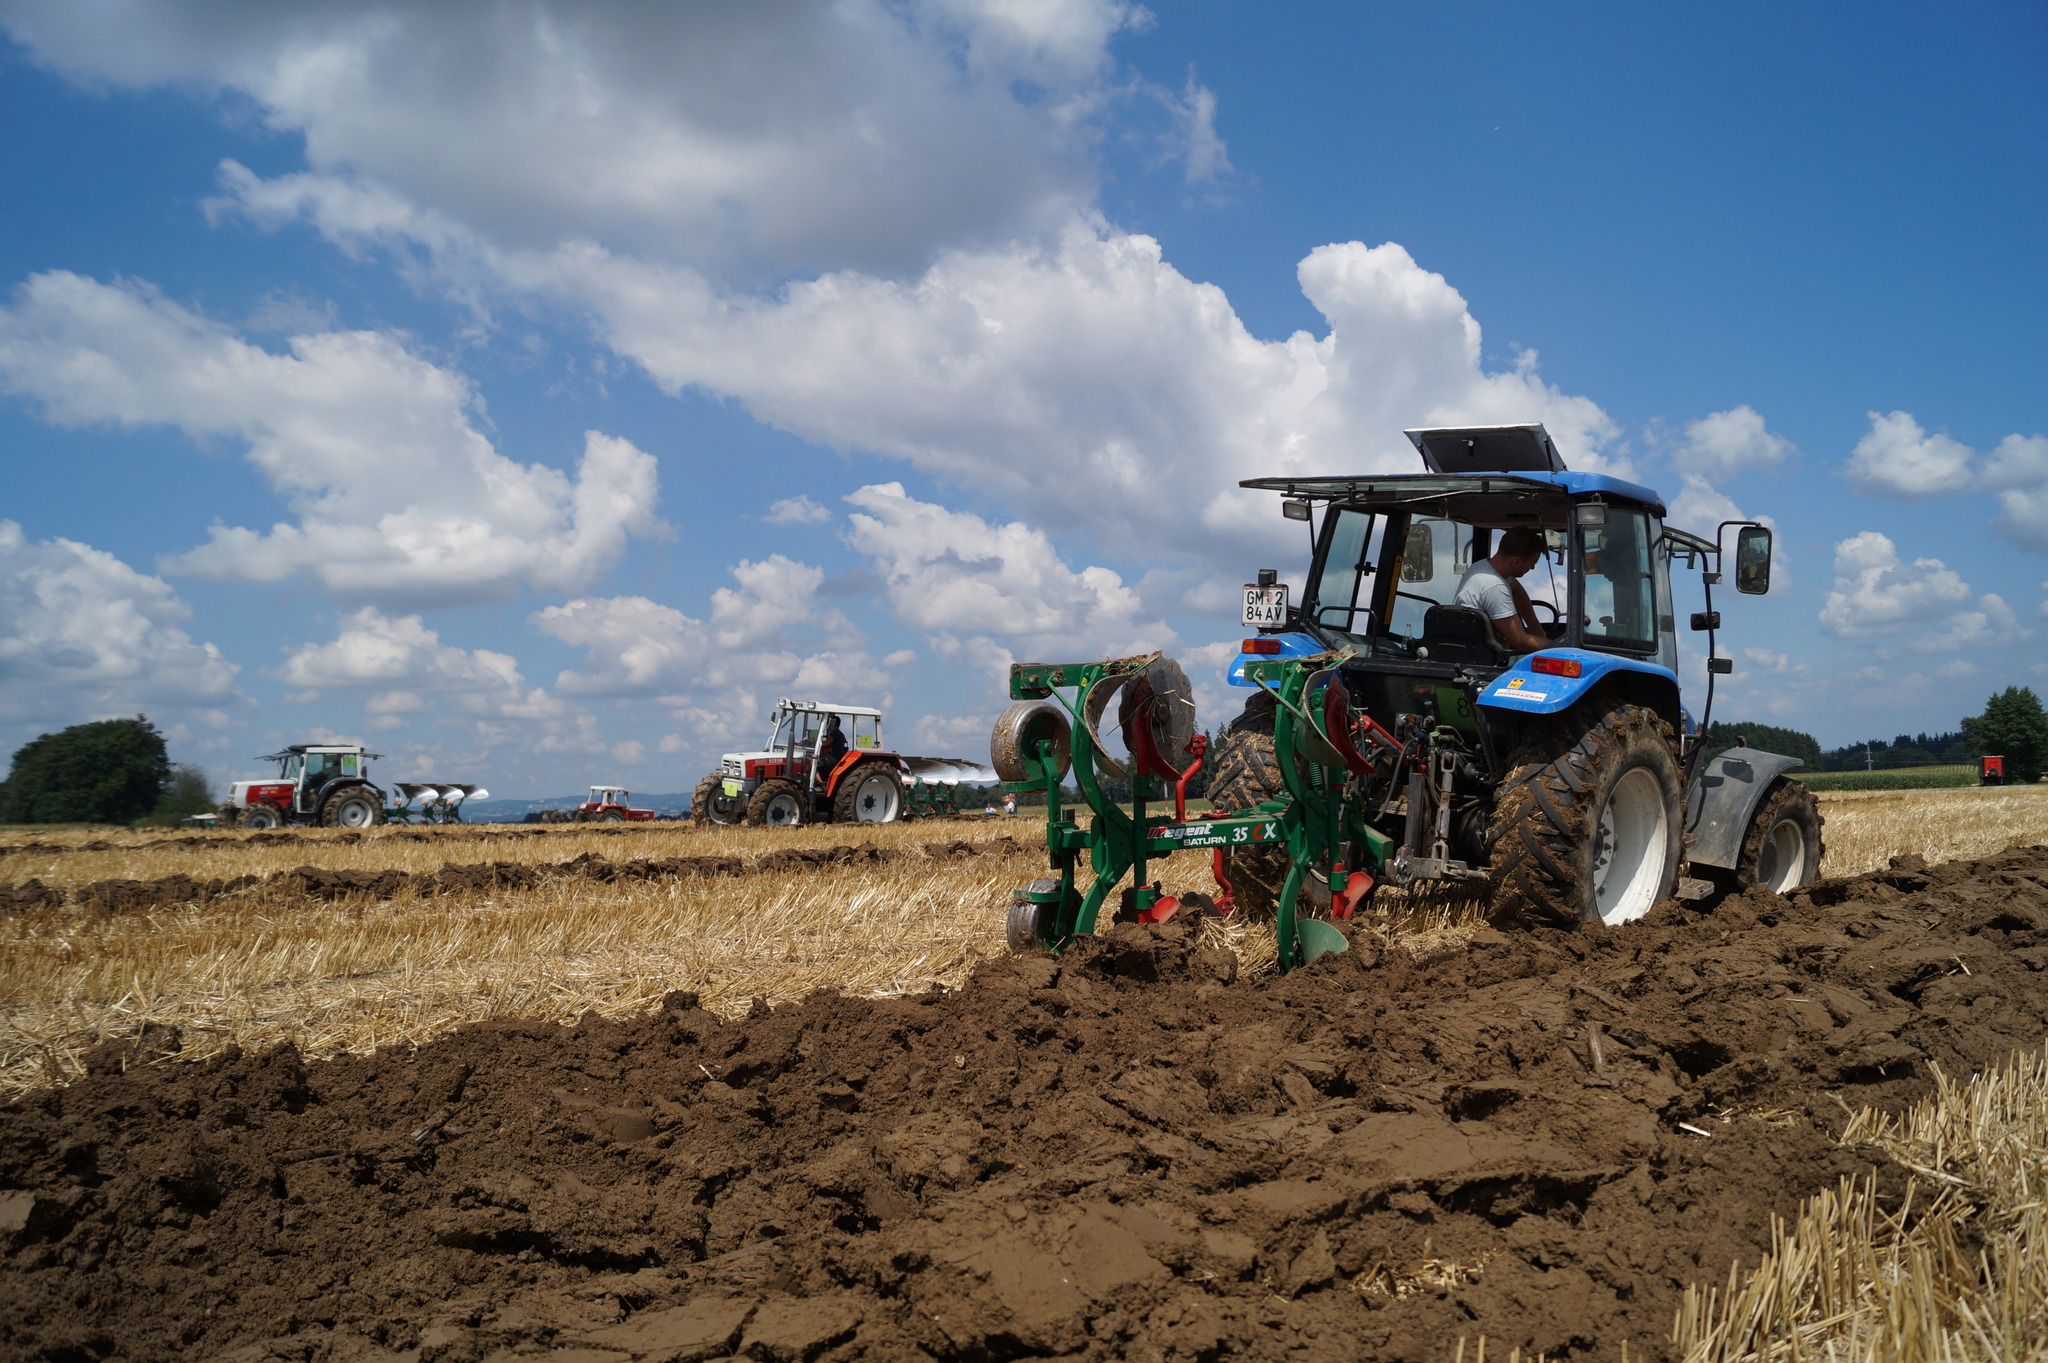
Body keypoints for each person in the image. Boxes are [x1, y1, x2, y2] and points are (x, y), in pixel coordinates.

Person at [1453, 526, 1552, 654]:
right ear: (1516, 562)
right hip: (1487, 659)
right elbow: (1520, 641)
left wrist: (1536, 629)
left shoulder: (1481, 566)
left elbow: (1515, 587)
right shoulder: (1495, 587)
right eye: (1532, 563)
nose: (1532, 568)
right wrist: (1563, 647)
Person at [814, 714, 848, 779]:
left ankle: (819, 783)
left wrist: (815, 742)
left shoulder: (834, 733)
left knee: (813, 764)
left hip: (834, 758)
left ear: (833, 723)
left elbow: (826, 743)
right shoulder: (841, 734)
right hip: (837, 758)